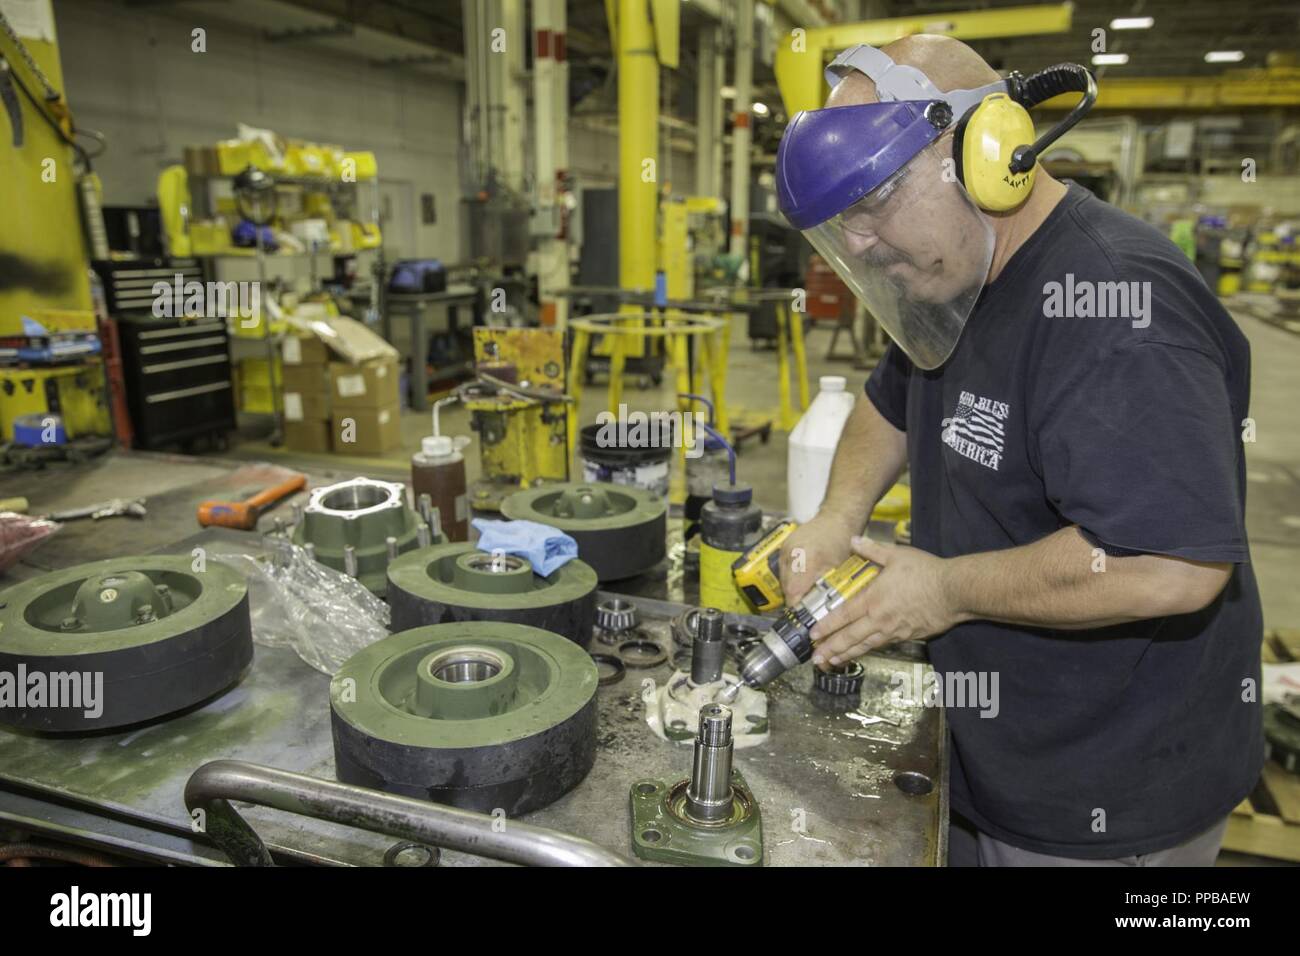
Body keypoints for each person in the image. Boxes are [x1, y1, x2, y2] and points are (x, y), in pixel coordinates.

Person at [773, 35, 1262, 866]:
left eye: (875, 203)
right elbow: (890, 401)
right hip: (990, 750)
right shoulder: (956, 274)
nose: (855, 245)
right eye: (840, 221)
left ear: (986, 150)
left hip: (1105, 796)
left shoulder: (1119, 312)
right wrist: (834, 515)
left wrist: (946, 590)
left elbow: (1173, 565)